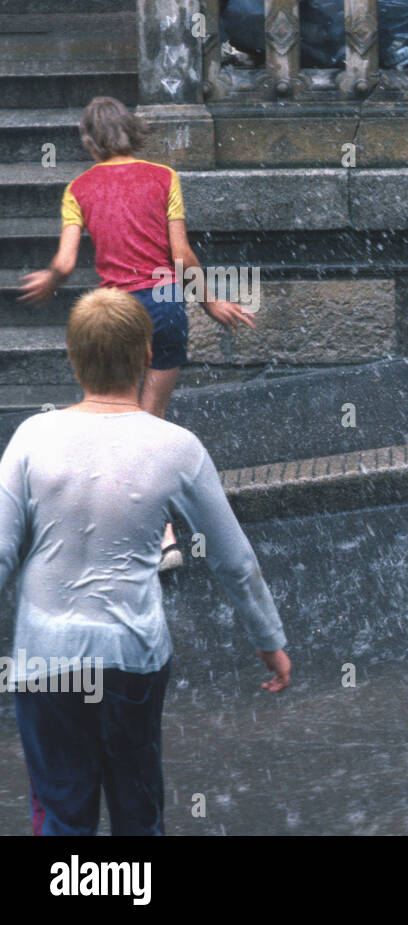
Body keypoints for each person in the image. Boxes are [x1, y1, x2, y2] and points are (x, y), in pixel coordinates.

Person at [0, 288, 291, 835]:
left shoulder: (31, 438)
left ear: (72, 355)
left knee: (61, 809)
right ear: (144, 356)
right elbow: (234, 559)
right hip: (131, 653)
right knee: (137, 807)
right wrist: (268, 638)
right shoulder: (175, 446)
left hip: (45, 656)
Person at [18, 96, 256, 571]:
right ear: (132, 130)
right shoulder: (163, 177)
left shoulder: (78, 188)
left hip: (116, 314)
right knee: (151, 422)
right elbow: (182, 254)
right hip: (166, 304)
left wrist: (50, 278)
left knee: (119, 424)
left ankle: (151, 534)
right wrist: (211, 302)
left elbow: (65, 263)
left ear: (89, 140)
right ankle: (162, 535)